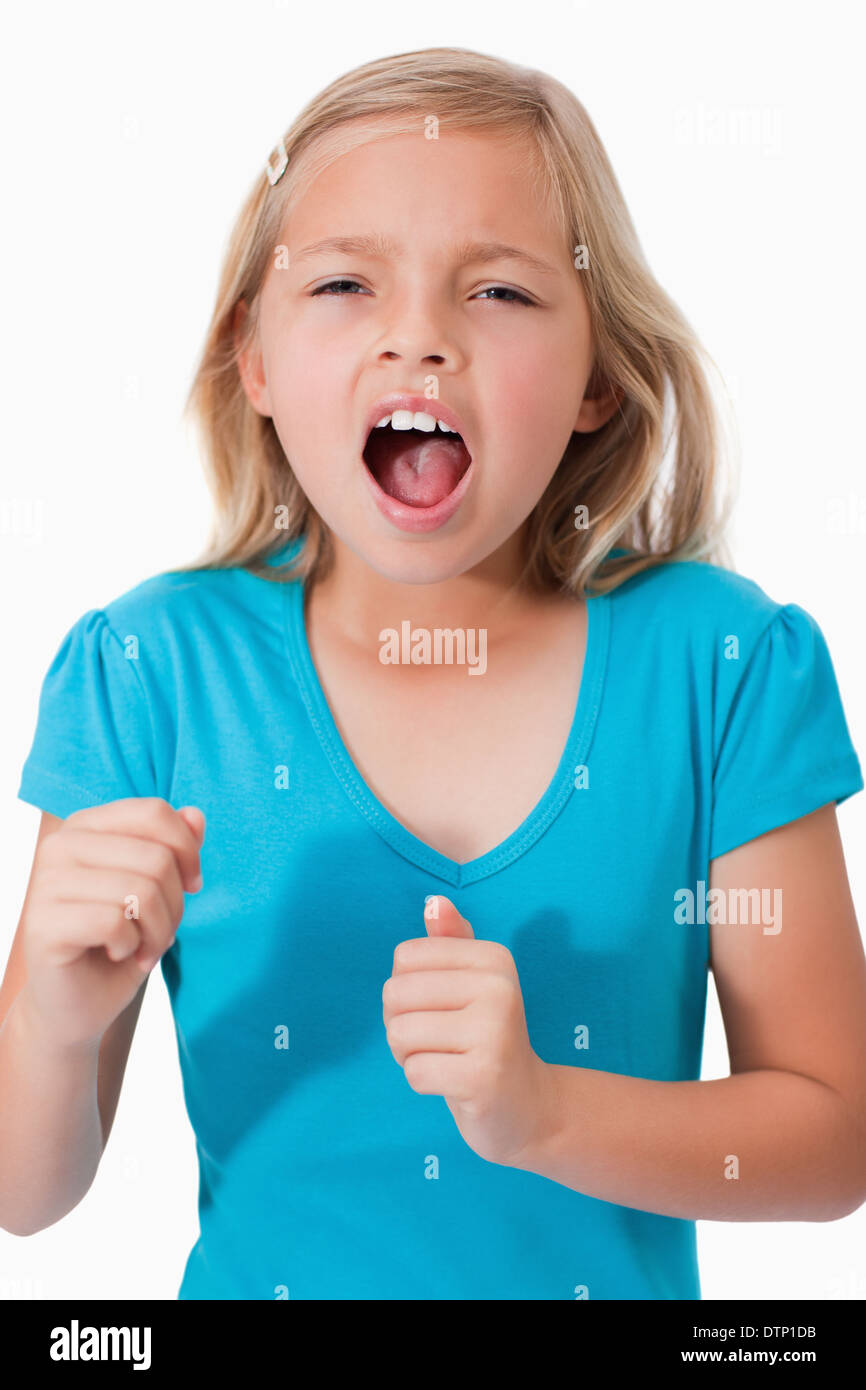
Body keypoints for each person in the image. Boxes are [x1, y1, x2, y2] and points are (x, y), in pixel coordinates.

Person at [2, 47, 864, 1300]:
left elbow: (832, 1139)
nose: (417, 338)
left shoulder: (720, 669)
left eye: (501, 293)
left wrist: (545, 1114)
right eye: (346, 282)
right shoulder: (146, 675)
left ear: (597, 384)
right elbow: (27, 1198)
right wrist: (49, 1017)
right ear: (253, 362)